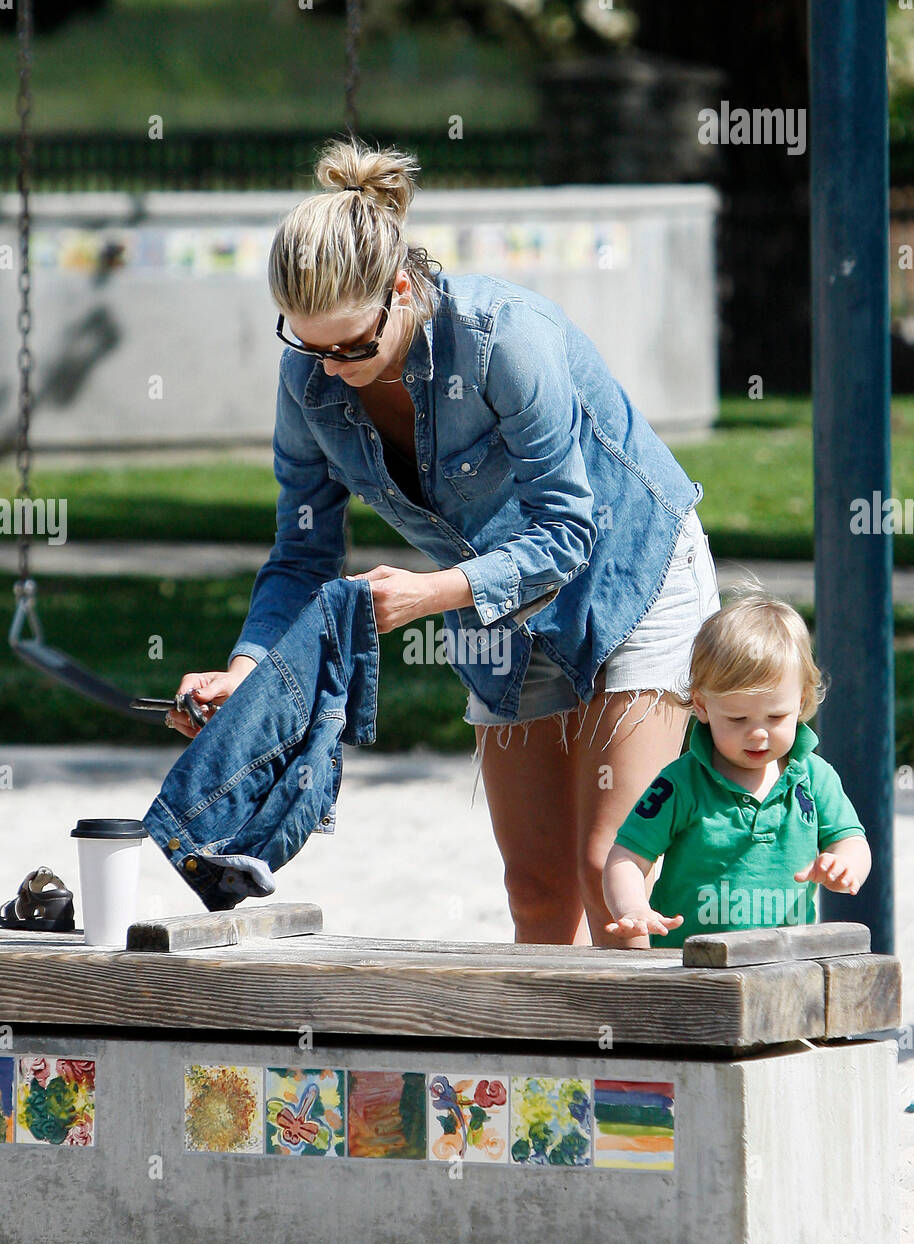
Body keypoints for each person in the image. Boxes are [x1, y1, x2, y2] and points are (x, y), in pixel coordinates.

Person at [169, 133, 719, 948]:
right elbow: (301, 555)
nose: (330, 370)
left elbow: (570, 529)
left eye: (353, 345)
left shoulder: (504, 338)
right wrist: (245, 673)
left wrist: (431, 594)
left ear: (400, 290)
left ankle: (631, 1078)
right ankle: (559, 1077)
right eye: (306, 344)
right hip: (498, 601)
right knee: (534, 889)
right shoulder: (310, 382)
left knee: (612, 876)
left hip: (631, 574)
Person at [602, 591, 871, 949]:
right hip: (690, 970)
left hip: (786, 965)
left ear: (802, 701)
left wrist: (846, 865)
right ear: (701, 706)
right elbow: (626, 857)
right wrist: (633, 906)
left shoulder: (814, 778)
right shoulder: (680, 783)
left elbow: (851, 841)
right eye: (737, 718)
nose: (758, 733)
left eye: (776, 717)